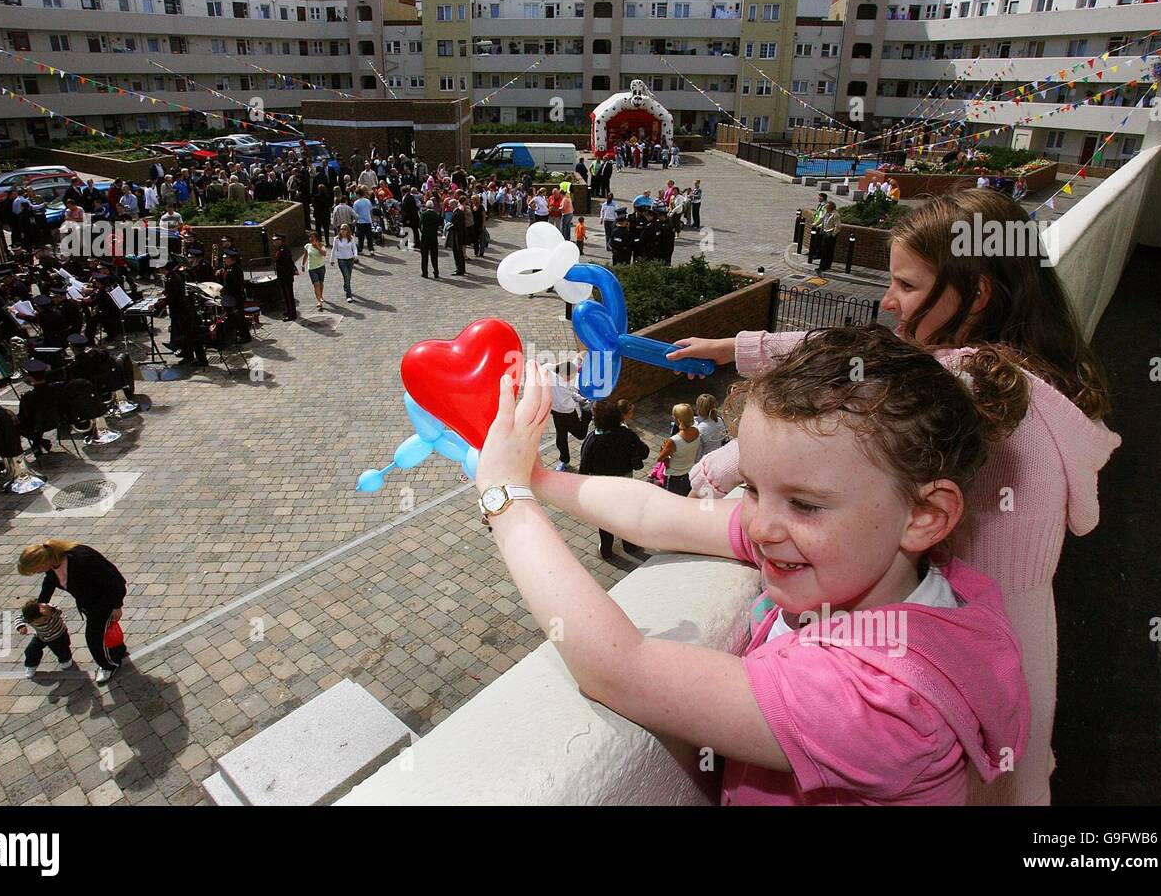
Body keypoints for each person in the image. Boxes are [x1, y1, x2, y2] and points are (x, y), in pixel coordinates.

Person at [668, 189, 1119, 806]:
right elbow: (858, 360)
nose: (887, 300)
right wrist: (736, 349)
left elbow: (847, 409)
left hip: (944, 656)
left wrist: (727, 464)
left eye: (906, 284)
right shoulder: (1029, 379)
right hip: (1019, 639)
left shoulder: (960, 382)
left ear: (977, 293)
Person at [475, 331, 1031, 805]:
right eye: (755, 489)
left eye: (804, 503)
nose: (761, 525)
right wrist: (537, 479)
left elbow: (619, 669)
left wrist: (504, 497)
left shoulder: (880, 699)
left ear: (927, 516)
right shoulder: (875, 557)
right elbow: (659, 515)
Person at [18, 539, 128, 685]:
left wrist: (116, 605)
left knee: (94, 638)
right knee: (104, 632)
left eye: (34, 570)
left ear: (42, 563)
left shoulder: (82, 558)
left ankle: (109, 665)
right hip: (87, 604)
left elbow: (115, 580)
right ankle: (118, 651)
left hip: (103, 603)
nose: (35, 573)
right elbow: (50, 582)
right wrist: (40, 603)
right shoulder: (52, 566)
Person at [578, 398, 649, 559]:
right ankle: (629, 545)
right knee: (625, 513)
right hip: (624, 481)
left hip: (603, 486)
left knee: (605, 517)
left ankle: (606, 550)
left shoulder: (592, 440)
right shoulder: (627, 434)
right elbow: (644, 452)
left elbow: (583, 469)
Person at [547, 358, 589, 472]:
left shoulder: (569, 380)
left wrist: (581, 399)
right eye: (570, 376)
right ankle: (564, 460)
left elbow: (572, 393)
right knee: (561, 438)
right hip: (556, 413)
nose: (572, 378)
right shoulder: (552, 378)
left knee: (580, 435)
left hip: (569, 414)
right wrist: (557, 364)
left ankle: (587, 413)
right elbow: (542, 367)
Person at [16, 599, 75, 679]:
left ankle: (66, 659)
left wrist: (51, 609)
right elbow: (19, 618)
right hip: (41, 636)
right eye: (34, 621)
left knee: (62, 649)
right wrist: (21, 626)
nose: (37, 622)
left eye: (40, 619)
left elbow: (59, 611)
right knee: (31, 650)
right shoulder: (29, 617)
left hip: (58, 635)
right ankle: (31, 665)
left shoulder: (49, 611)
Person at [657, 403, 701, 496]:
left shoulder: (674, 440)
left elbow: (660, 458)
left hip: (674, 476)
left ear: (679, 420)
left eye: (674, 416)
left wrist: (663, 449)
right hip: (689, 472)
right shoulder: (696, 431)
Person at [693, 393, 728, 460]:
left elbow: (698, 452)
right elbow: (723, 438)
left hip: (704, 459)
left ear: (699, 407)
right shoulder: (719, 420)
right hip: (717, 455)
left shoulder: (699, 429)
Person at [272, 233, 298, 321]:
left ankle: (292, 314)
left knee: (289, 296)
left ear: (280, 241)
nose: (274, 242)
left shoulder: (283, 250)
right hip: (283, 276)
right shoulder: (281, 249)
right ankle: (288, 310)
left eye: (276, 240)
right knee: (286, 296)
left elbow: (288, 264)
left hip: (286, 276)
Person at [301, 231, 329, 311]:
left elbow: (324, 254)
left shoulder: (321, 245)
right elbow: (305, 255)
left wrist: (318, 247)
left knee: (321, 283)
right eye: (310, 237)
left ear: (317, 238)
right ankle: (318, 301)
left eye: (313, 237)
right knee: (316, 284)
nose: (311, 239)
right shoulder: (307, 246)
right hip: (312, 268)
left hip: (321, 267)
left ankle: (320, 295)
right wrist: (303, 265)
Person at [331, 224, 358, 302]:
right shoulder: (337, 239)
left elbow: (354, 248)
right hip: (341, 260)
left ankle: (346, 286)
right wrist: (332, 259)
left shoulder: (351, 238)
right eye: (341, 229)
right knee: (346, 276)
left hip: (350, 260)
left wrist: (355, 255)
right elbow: (334, 249)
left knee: (348, 277)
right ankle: (349, 295)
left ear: (347, 231)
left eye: (344, 229)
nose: (343, 231)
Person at [815, 201, 840, 274]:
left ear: (831, 207)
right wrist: (815, 224)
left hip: (830, 234)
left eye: (827, 206)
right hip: (825, 233)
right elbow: (821, 219)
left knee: (827, 251)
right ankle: (825, 266)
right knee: (825, 250)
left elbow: (837, 226)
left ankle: (823, 267)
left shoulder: (835, 215)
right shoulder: (826, 212)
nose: (825, 207)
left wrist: (832, 235)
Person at [418, 199, 441, 278]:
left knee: (424, 256)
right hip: (434, 237)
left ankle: (425, 272)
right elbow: (438, 225)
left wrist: (422, 231)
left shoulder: (423, 214)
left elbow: (420, 225)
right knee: (434, 256)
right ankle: (436, 272)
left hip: (425, 237)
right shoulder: (436, 214)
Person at [449, 200, 467, 276]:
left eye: (450, 205)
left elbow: (457, 225)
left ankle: (459, 269)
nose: (449, 206)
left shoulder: (457, 212)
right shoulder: (459, 211)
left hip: (457, 235)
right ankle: (462, 268)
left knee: (457, 252)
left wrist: (450, 226)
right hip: (459, 234)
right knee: (459, 252)